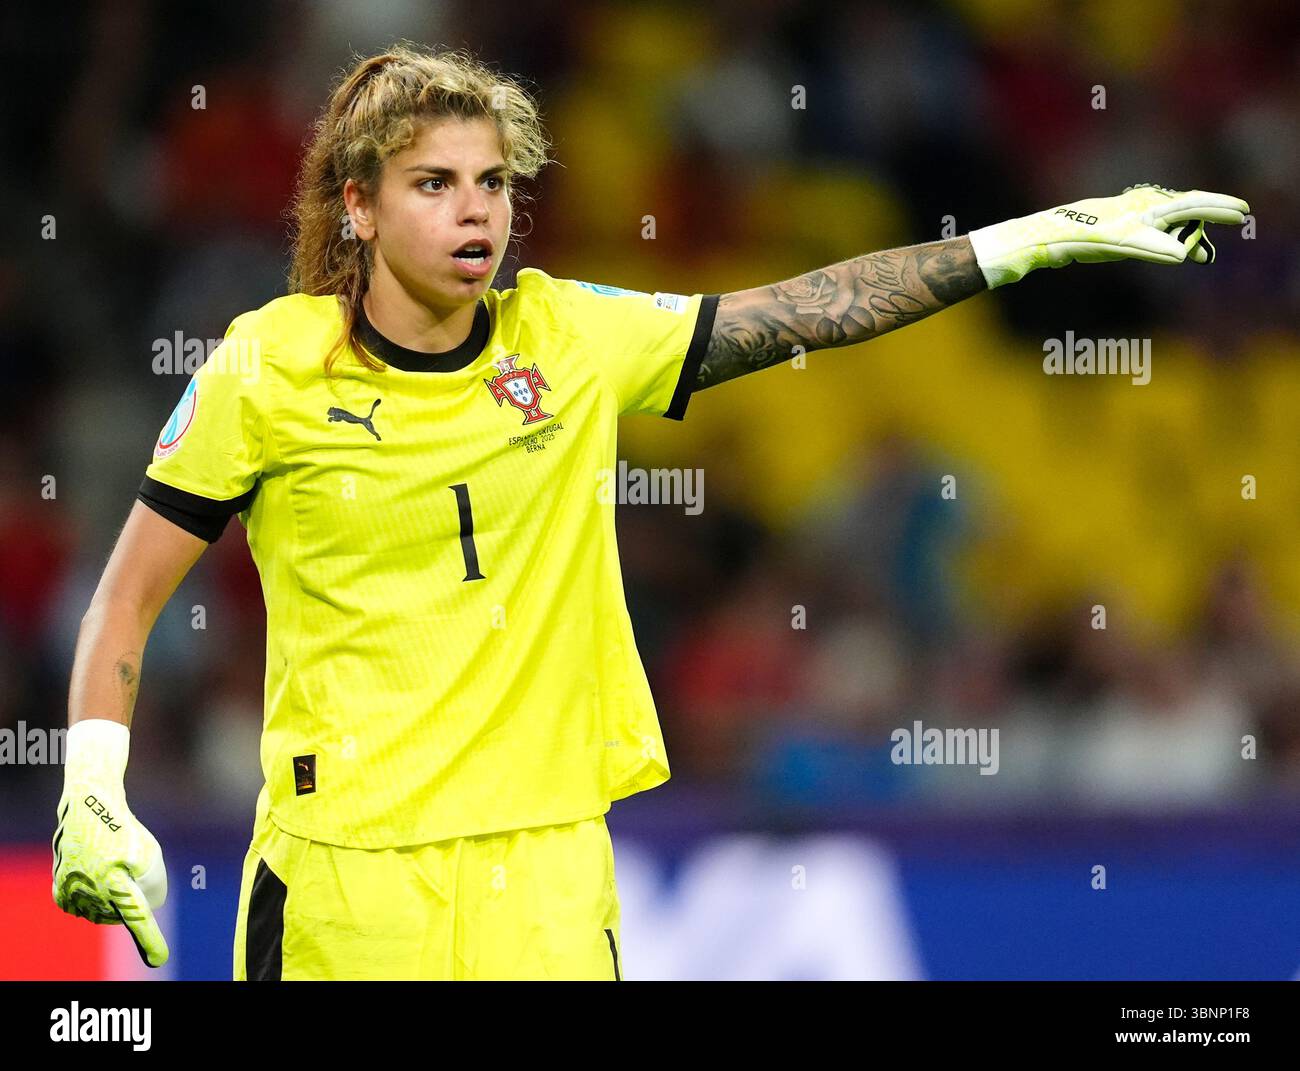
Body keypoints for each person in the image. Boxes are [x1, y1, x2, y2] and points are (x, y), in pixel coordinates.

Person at [50, 42, 1249, 980]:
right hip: (344, 888)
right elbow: (130, 596)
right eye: (434, 185)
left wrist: (1015, 245)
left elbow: (800, 311)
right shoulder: (267, 370)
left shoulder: (569, 337)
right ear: (356, 207)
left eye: (493, 184)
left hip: (549, 876)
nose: (476, 213)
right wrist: (93, 789)